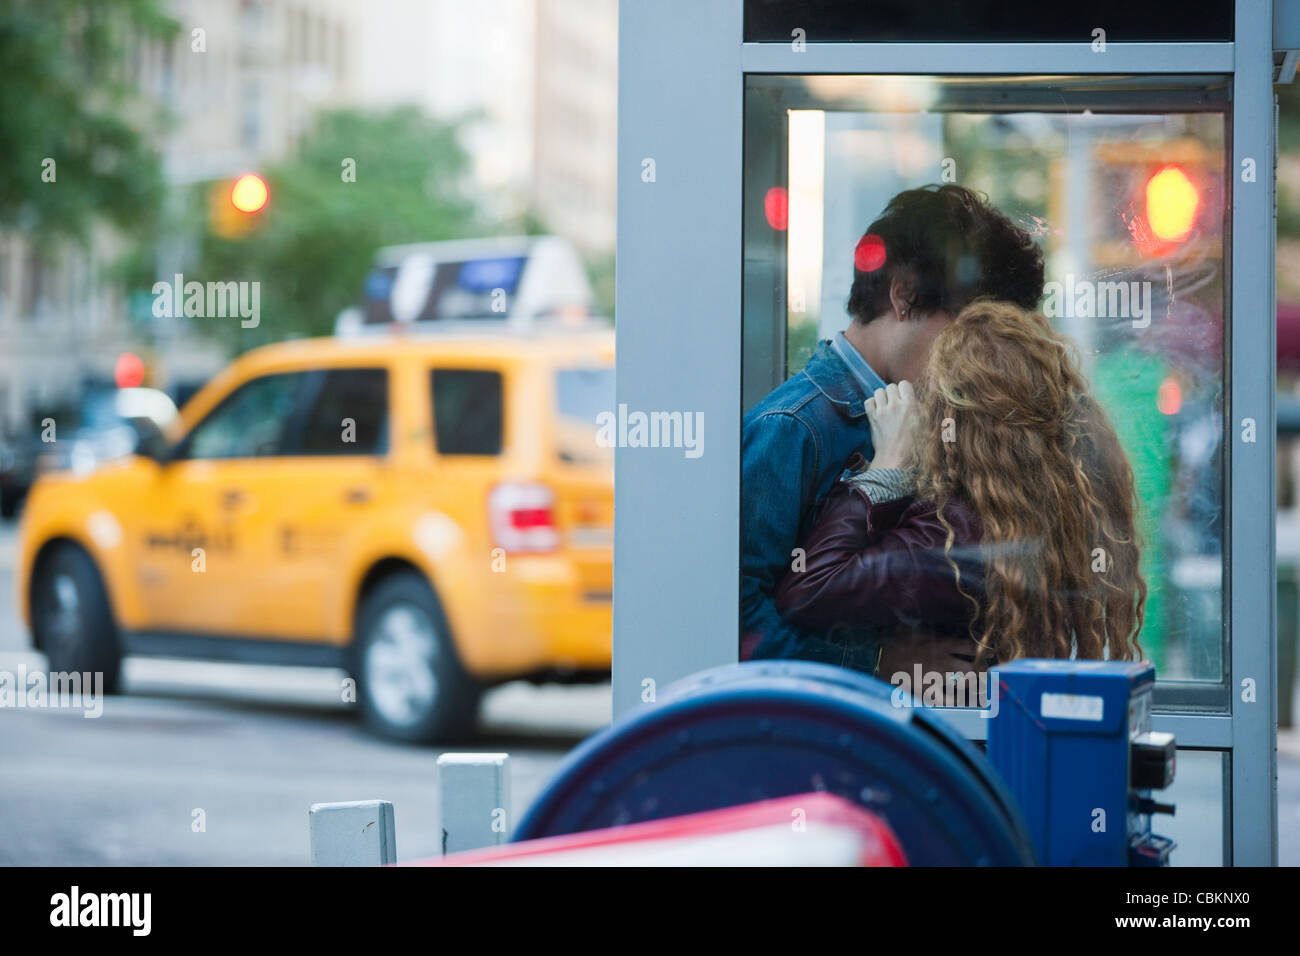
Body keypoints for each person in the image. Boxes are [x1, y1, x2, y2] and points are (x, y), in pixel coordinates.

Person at [741, 184, 1045, 667]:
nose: (980, 358)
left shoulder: (943, 412)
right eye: (968, 332)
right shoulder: (794, 427)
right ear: (903, 296)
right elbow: (739, 619)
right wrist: (879, 669)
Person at [774, 300, 1147, 683]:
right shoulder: (1048, 507)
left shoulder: (951, 536)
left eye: (930, 398)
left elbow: (810, 589)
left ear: (953, 422)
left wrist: (885, 468)